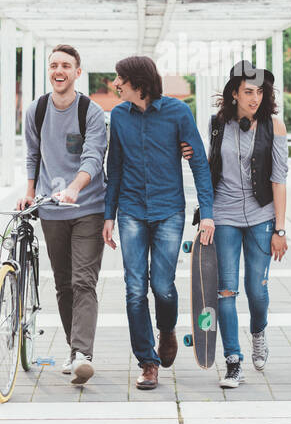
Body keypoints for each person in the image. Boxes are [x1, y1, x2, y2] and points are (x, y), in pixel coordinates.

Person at [103, 55, 214, 391]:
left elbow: (199, 165)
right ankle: (148, 362)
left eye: (120, 78)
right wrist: (109, 216)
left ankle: (167, 330)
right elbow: (115, 168)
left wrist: (206, 213)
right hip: (132, 210)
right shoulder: (119, 116)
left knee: (162, 286)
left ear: (138, 82)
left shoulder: (178, 113)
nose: (115, 84)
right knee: (135, 288)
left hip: (169, 210)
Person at [18, 44, 107, 386]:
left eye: (66, 66)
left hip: (88, 208)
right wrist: (29, 192)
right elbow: (32, 155)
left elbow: (93, 158)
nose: (59, 71)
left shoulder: (91, 111)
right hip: (50, 210)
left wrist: (75, 188)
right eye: (54, 65)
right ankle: (74, 351)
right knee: (63, 283)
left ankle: (83, 354)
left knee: (84, 280)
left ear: (77, 72)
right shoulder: (36, 110)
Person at [197, 60, 288, 388]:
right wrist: (205, 214)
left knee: (256, 289)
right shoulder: (217, 125)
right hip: (224, 217)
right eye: (248, 91)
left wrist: (280, 228)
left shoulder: (274, 126)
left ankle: (259, 332)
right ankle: (233, 361)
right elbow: (209, 167)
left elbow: (279, 180)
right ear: (234, 93)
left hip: (262, 217)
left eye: (260, 92)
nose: (255, 98)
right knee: (226, 290)